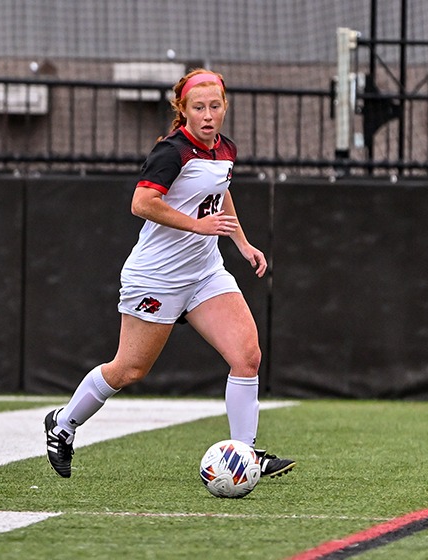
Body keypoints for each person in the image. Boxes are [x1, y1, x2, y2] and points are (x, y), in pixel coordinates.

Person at [44, 69, 294, 479]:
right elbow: (142, 203)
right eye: (199, 107)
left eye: (215, 106)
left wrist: (242, 244)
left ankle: (245, 453)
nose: (208, 115)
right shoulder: (171, 151)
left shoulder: (224, 149)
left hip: (205, 273)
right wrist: (199, 226)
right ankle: (64, 423)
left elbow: (219, 192)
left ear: (225, 107)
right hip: (156, 277)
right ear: (183, 110)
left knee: (247, 357)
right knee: (129, 369)